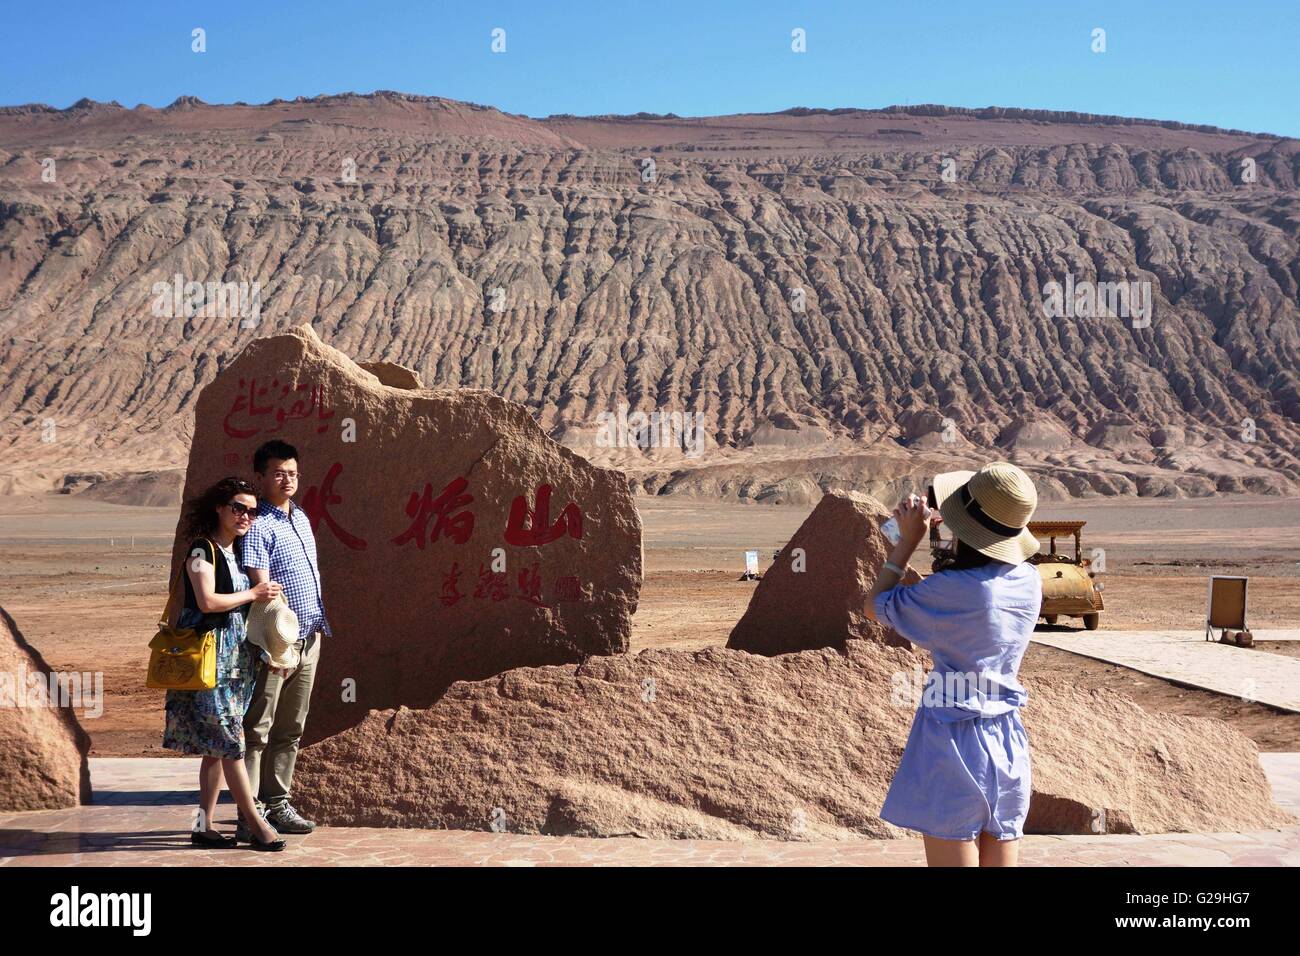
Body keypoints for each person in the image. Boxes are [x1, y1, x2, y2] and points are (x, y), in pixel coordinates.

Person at [864, 462, 1043, 867]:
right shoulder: (1029, 582)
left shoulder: (950, 591)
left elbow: (874, 607)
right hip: (1008, 741)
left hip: (953, 741)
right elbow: (973, 576)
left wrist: (906, 541)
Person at [163, 476, 286, 852]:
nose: (246, 515)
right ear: (219, 507)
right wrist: (253, 592)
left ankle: (203, 825)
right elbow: (206, 602)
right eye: (238, 507)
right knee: (232, 741)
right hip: (210, 657)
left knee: (216, 746)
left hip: (236, 659)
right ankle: (256, 824)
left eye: (251, 510)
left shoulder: (238, 551)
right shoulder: (203, 550)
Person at [237, 440, 328, 839]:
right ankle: (250, 812)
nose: (286, 479)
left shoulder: (302, 518)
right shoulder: (258, 523)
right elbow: (260, 583)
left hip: (309, 637)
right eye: (277, 473)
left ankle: (278, 804)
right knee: (258, 728)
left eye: (291, 472)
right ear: (261, 478)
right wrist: (277, 632)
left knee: (291, 727)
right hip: (275, 642)